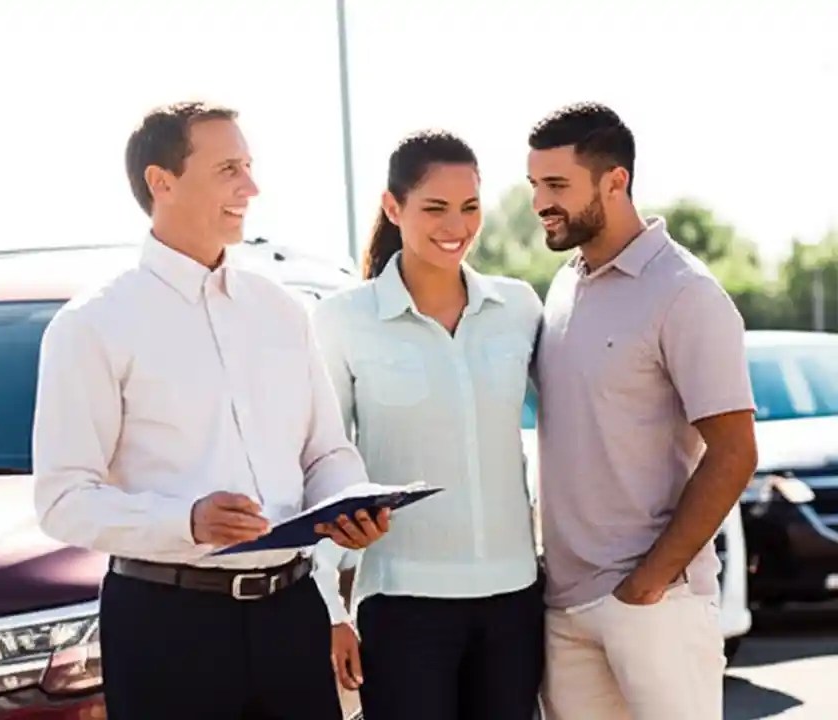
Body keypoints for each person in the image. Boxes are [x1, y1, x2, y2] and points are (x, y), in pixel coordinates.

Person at [30, 100, 391, 720]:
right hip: (167, 628)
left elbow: (326, 451)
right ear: (161, 182)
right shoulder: (92, 325)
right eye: (229, 168)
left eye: (248, 166)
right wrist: (188, 522)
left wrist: (348, 505)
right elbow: (62, 500)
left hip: (291, 615)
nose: (251, 187)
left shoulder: (281, 310)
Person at [527, 101, 759, 719]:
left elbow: (735, 453)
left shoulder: (684, 292)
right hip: (564, 608)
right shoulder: (564, 285)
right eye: (534, 186)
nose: (540, 203)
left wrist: (648, 582)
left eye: (557, 185)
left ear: (615, 181)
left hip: (655, 607)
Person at [311, 129, 546, 720]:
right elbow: (316, 464)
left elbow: (577, 429)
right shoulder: (342, 320)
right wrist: (331, 611)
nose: (456, 225)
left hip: (514, 600)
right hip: (400, 605)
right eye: (435, 207)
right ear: (394, 207)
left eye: (469, 207)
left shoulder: (519, 308)